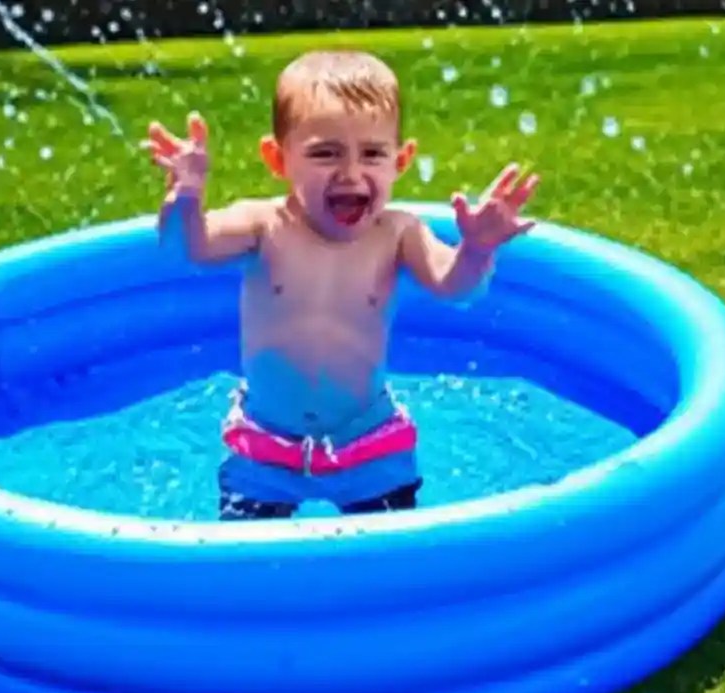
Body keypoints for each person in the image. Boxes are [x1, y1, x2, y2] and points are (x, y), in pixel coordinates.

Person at [144, 49, 540, 521]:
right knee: (246, 574)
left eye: (372, 153)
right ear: (277, 158)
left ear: (402, 160)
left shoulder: (399, 232)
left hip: (371, 448)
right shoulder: (262, 224)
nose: (351, 173)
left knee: (387, 573)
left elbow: (456, 287)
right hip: (264, 449)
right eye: (325, 153)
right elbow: (185, 249)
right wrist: (185, 198)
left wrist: (476, 249)